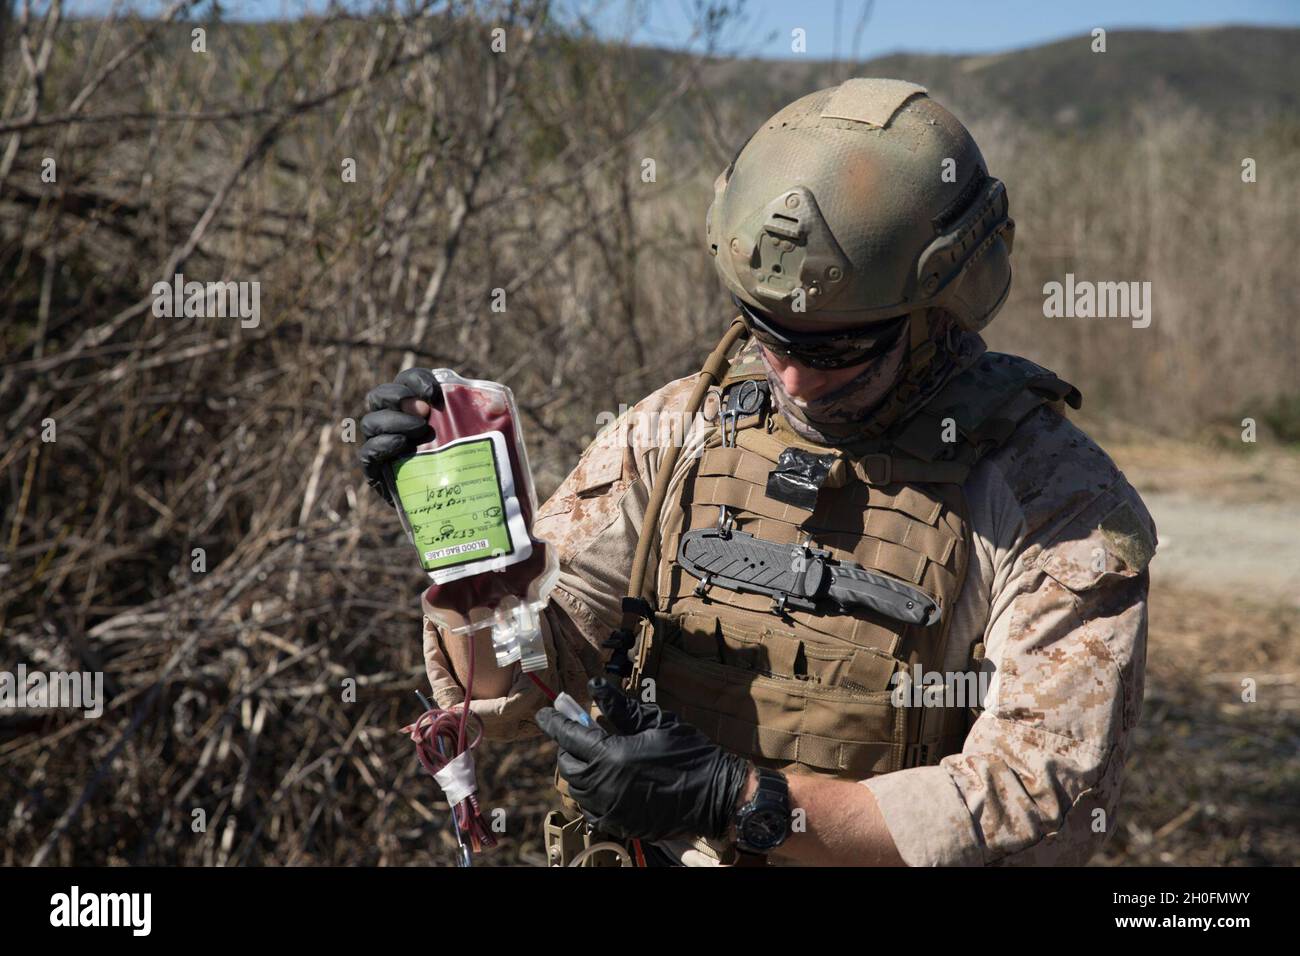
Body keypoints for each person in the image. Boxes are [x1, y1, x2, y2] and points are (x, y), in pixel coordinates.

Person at [359, 78, 1157, 867]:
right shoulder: (675, 431)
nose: (795, 379)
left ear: (942, 309)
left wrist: (745, 802)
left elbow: (1042, 802)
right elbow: (516, 685)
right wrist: (467, 548)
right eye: (769, 335)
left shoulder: (1051, 496)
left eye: (839, 350)